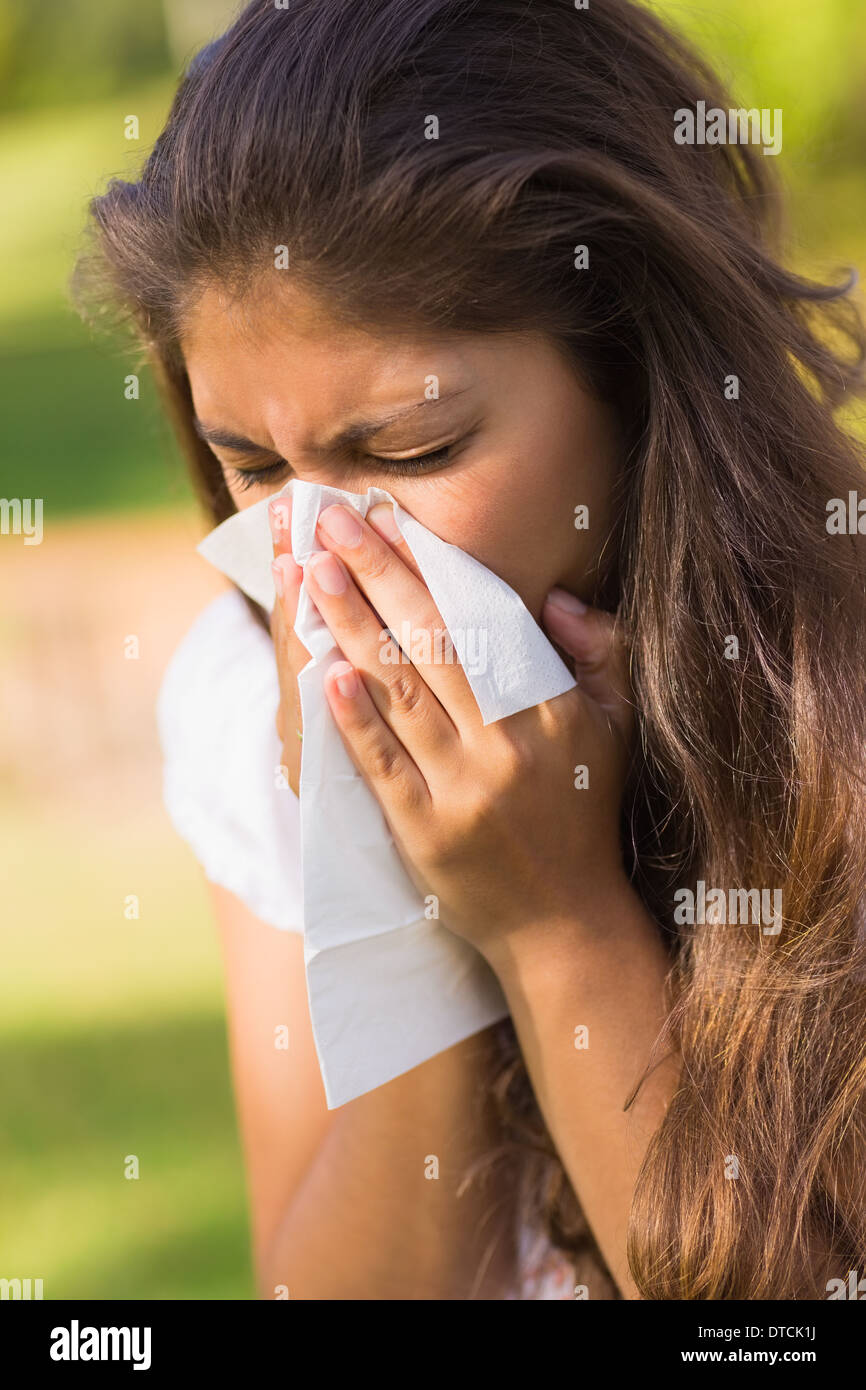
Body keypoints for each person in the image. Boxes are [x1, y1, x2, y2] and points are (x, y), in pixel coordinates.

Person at [74, 0, 866, 1299]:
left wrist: (555, 922)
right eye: (254, 466)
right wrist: (401, 883)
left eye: (410, 451)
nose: (322, 552)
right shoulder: (244, 694)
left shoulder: (820, 692)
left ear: (630, 377)